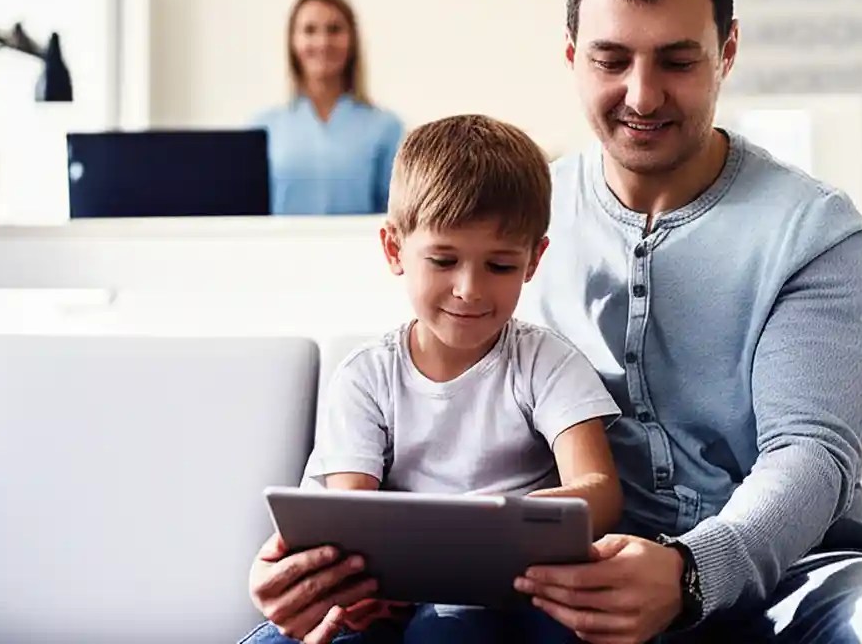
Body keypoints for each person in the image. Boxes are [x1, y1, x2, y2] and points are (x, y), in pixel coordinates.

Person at [504, 0, 862, 642]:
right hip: (577, 579)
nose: (642, 94)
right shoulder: (517, 216)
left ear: (727, 53)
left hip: (800, 573)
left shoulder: (816, 234)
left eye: (677, 61)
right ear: (573, 57)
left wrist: (689, 572)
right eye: (611, 60)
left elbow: (810, 455)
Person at [242, 114, 624, 644]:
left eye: (500, 266)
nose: (469, 289)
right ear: (395, 250)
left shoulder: (545, 362)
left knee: (452, 629)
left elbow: (601, 489)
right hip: (388, 595)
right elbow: (353, 515)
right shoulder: (367, 378)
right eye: (444, 260)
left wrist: (521, 520)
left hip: (507, 596)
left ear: (534, 260)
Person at [251, 0, 404, 216]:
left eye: (334, 30)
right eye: (309, 30)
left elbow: (396, 217)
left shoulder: (385, 128)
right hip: (278, 250)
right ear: (293, 41)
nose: (322, 42)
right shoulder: (263, 128)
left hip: (357, 249)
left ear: (352, 40)